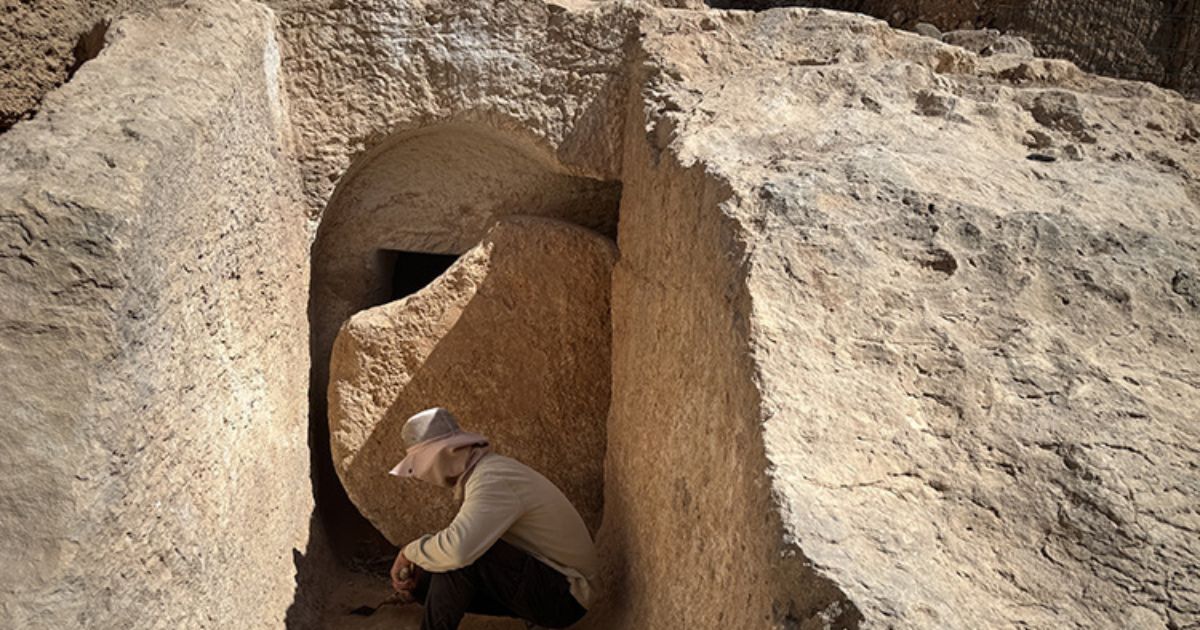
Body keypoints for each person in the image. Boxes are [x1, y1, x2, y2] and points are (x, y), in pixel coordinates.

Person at [388, 407, 598, 630]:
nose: (420, 474)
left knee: (457, 557)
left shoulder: (492, 479)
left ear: (443, 453)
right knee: (425, 577)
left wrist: (408, 551)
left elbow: (458, 551)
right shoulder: (485, 473)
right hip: (553, 585)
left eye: (420, 464)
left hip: (567, 596)